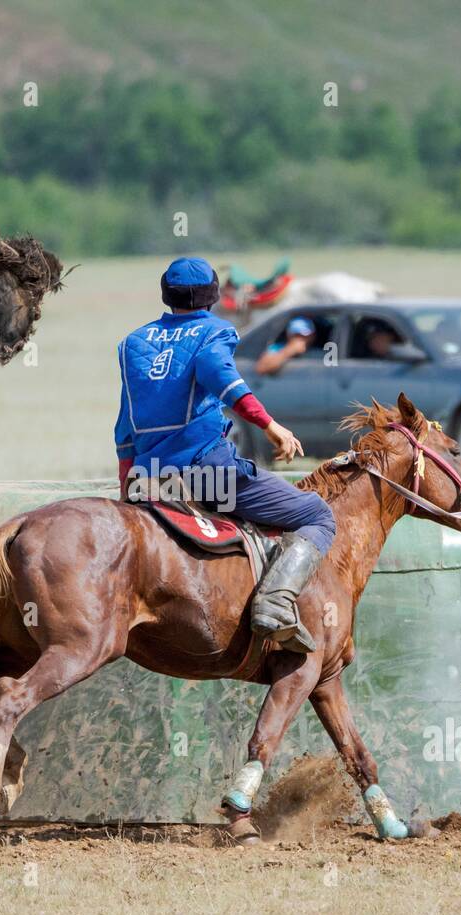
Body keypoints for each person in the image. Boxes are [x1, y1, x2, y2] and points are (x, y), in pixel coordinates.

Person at [114, 257, 335, 653]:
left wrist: (127, 489)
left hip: (149, 480)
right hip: (209, 474)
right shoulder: (213, 331)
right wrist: (271, 426)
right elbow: (224, 381)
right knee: (317, 515)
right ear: (213, 296)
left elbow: (125, 429)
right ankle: (275, 605)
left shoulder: (133, 343)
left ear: (166, 294)